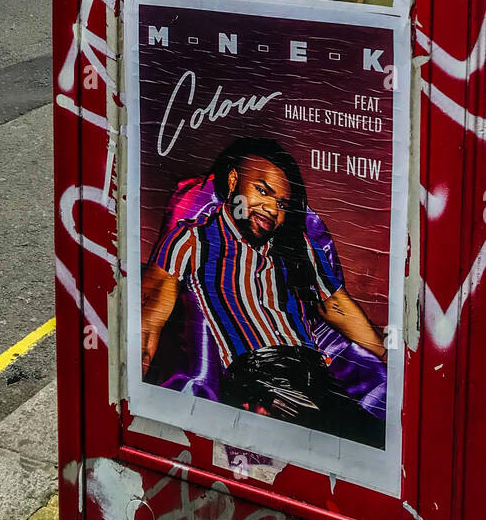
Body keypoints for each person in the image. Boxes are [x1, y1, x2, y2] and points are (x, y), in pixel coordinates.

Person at [140, 137, 387, 447]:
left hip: (318, 378)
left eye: (282, 204)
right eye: (262, 191)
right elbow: (149, 320)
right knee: (355, 444)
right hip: (261, 379)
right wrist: (136, 399)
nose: (272, 209)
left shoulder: (298, 247)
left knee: (378, 439)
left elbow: (334, 304)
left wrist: (387, 356)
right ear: (232, 181)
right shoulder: (194, 238)